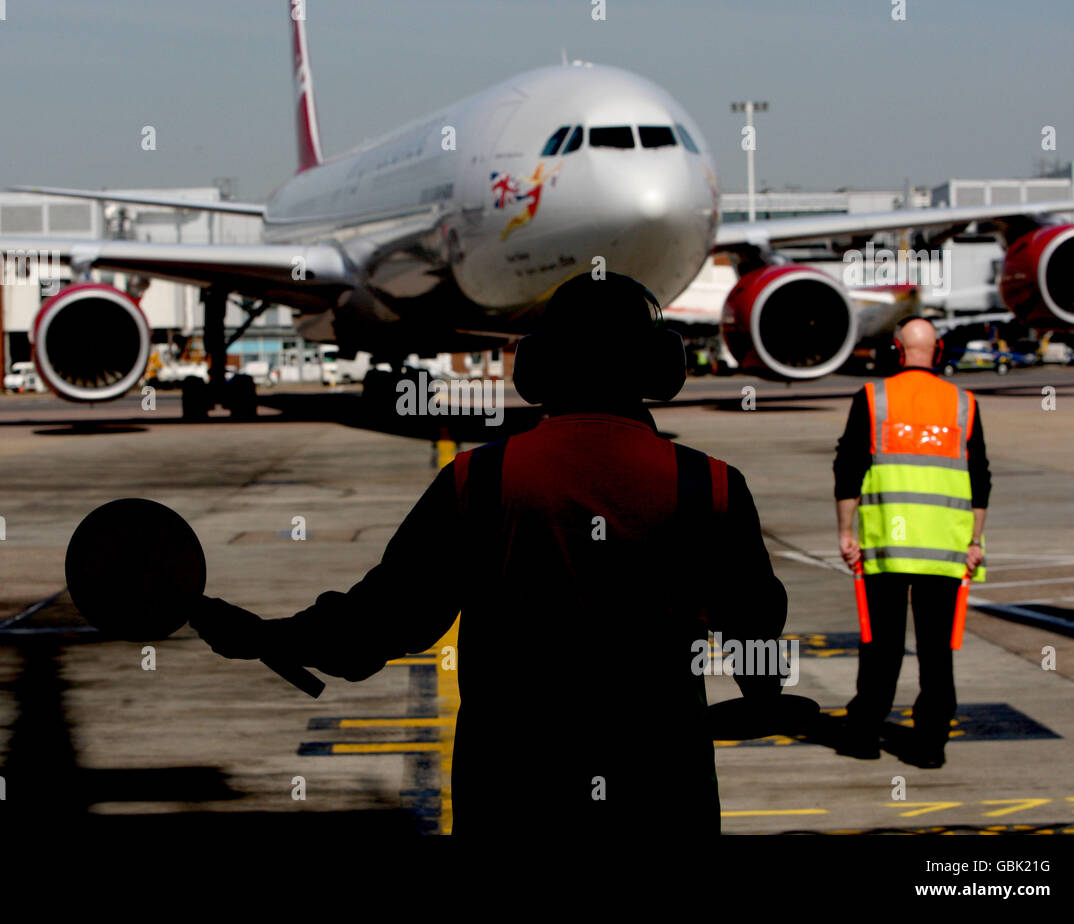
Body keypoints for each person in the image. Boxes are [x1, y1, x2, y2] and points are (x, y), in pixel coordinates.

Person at [190, 272, 787, 835]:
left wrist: (265, 636)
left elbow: (379, 624)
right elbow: (755, 631)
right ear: (661, 368)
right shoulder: (710, 485)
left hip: (513, 794)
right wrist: (763, 701)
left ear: (538, 367)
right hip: (661, 797)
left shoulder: (480, 479)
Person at [834, 316, 990, 768]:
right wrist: (975, 541)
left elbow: (849, 470)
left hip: (885, 548)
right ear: (938, 353)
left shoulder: (873, 398)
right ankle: (930, 744)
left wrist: (846, 533)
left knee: (880, 646)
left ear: (897, 352)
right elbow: (980, 479)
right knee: (936, 652)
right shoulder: (964, 404)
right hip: (944, 552)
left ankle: (864, 734)